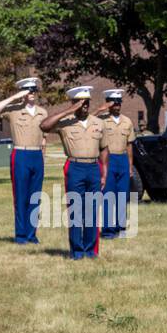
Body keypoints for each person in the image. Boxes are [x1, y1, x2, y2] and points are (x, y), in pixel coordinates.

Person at [41, 86, 108, 259]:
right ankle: (77, 251)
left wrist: (104, 172)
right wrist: (69, 110)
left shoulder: (98, 123)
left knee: (92, 211)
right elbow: (44, 126)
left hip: (94, 168)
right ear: (74, 103)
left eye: (86, 103)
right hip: (75, 167)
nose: (84, 106)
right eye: (80, 103)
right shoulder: (66, 122)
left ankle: (91, 250)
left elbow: (104, 149)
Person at [0, 77, 46, 244]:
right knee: (21, 196)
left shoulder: (43, 113)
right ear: (23, 93)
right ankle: (21, 235)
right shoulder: (13, 110)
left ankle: (31, 234)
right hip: (21, 154)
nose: (32, 94)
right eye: (28, 91)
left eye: (34, 90)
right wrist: (14, 97)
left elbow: (44, 138)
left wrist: (43, 154)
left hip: (37, 155)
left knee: (35, 197)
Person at [98, 89, 135, 239]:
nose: (117, 106)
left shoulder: (127, 121)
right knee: (108, 195)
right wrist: (100, 109)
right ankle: (108, 230)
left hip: (122, 160)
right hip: (108, 159)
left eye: (119, 103)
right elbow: (85, 119)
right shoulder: (101, 120)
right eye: (113, 103)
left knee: (122, 195)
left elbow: (129, 145)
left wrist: (130, 165)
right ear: (108, 103)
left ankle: (120, 228)